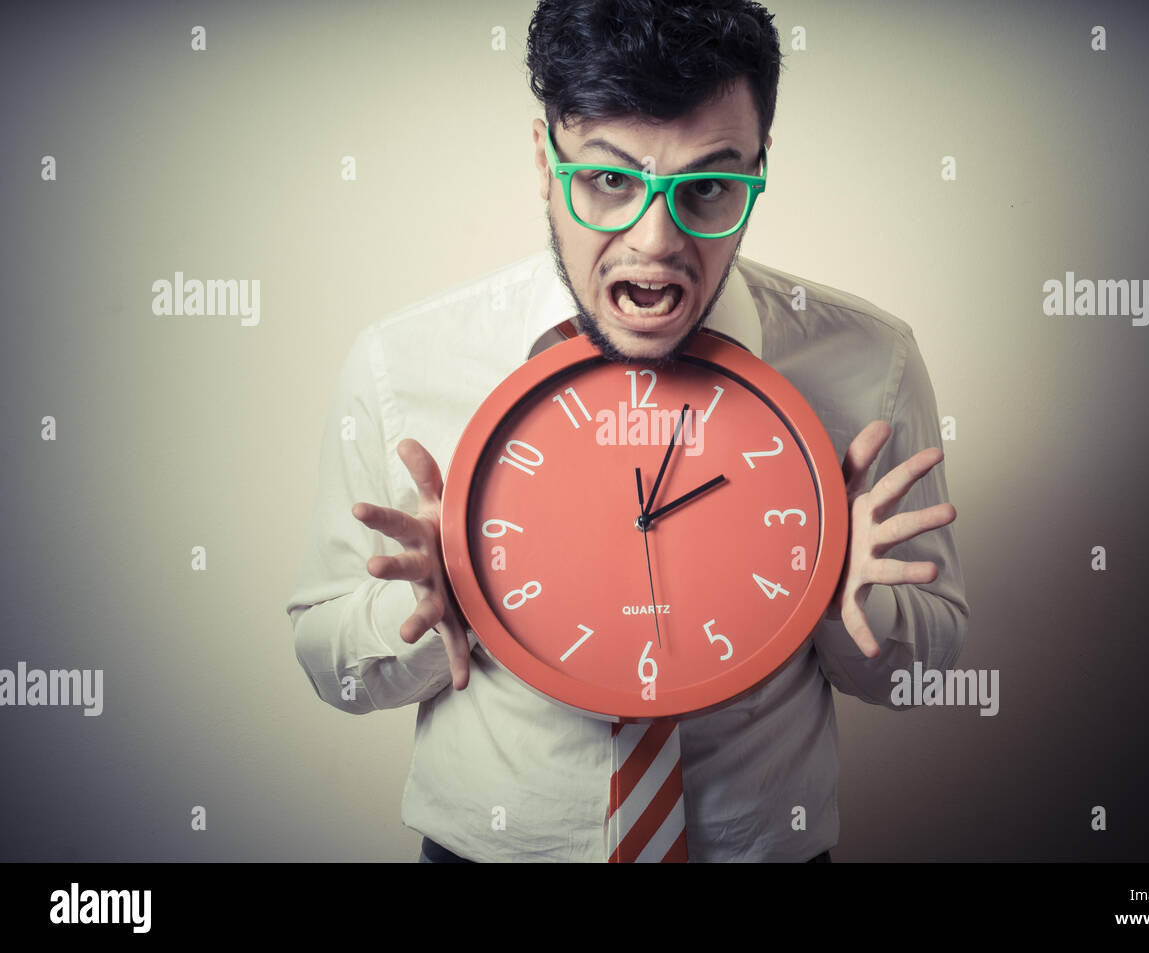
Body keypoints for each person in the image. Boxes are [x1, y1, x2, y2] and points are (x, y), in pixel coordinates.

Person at [286, 0, 968, 862]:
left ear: (761, 167)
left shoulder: (870, 364)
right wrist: (426, 612)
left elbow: (924, 670)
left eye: (709, 185)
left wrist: (841, 603)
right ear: (545, 161)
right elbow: (324, 659)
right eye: (609, 181)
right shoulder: (404, 364)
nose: (655, 242)